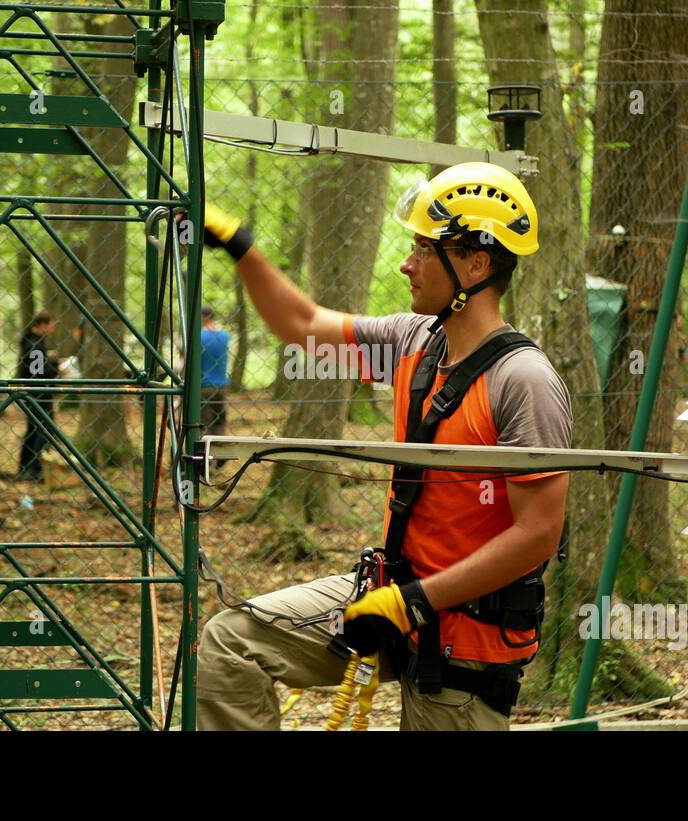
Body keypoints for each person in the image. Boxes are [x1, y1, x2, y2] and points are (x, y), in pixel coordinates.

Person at [196, 162, 573, 730]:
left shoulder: (525, 382)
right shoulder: (412, 340)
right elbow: (301, 325)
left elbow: (538, 534)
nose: (407, 263)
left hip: (463, 643)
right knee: (231, 644)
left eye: (424, 248)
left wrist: (412, 603)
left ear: (476, 264)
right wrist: (239, 245)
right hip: (388, 597)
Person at [15, 310, 62, 483]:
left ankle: (24, 467)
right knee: (42, 429)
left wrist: (54, 362)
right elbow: (38, 372)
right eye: (52, 324)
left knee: (33, 430)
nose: (53, 327)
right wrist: (58, 368)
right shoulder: (34, 344)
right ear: (43, 324)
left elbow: (37, 365)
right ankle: (34, 469)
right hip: (38, 393)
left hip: (34, 392)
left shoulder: (32, 342)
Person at [199, 305, 231, 468]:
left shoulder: (198, 336)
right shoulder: (224, 335)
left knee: (203, 424)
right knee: (219, 422)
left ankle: (206, 459)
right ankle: (221, 454)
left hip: (203, 386)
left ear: (203, 317)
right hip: (221, 386)